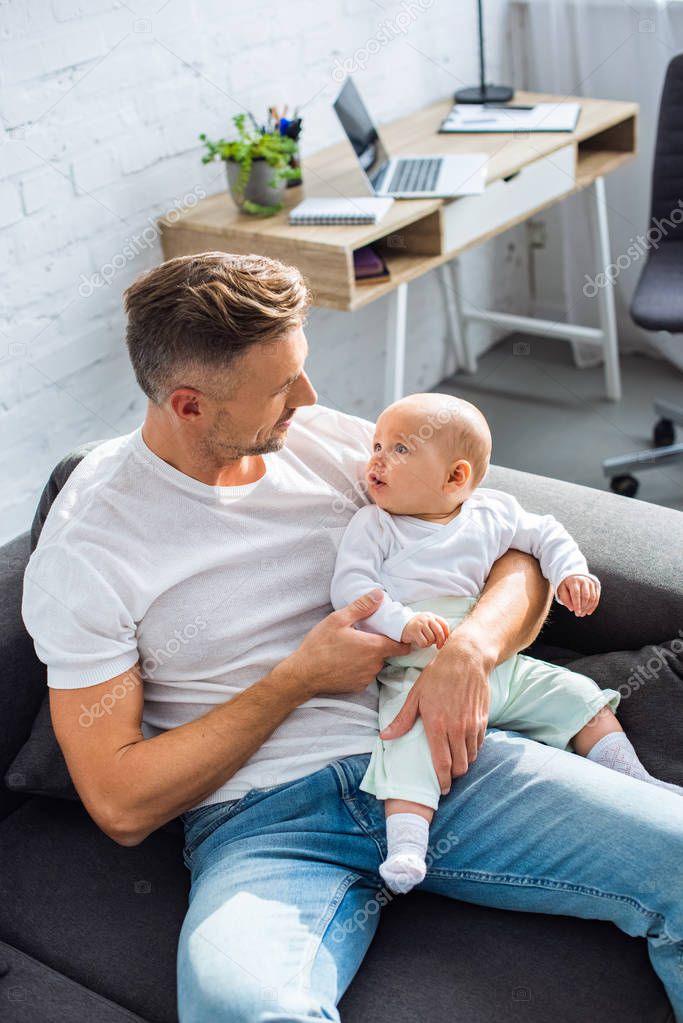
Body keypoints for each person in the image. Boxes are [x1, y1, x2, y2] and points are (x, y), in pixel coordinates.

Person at [20, 253, 683, 1023]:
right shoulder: (91, 547)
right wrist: (296, 679)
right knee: (239, 1008)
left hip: (442, 760)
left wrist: (469, 651)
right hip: (264, 824)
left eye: (301, 369)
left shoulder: (329, 444)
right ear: (191, 405)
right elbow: (121, 801)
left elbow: (513, 547)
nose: (307, 395)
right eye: (281, 387)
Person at [331, 392, 683, 894]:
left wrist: (571, 573)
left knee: (581, 699)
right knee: (403, 744)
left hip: (501, 662)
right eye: (378, 445)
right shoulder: (375, 525)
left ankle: (637, 779)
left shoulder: (493, 511)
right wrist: (400, 621)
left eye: (401, 450)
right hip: (416, 671)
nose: (378, 460)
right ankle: (408, 846)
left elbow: (548, 535)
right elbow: (351, 587)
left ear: (456, 478)